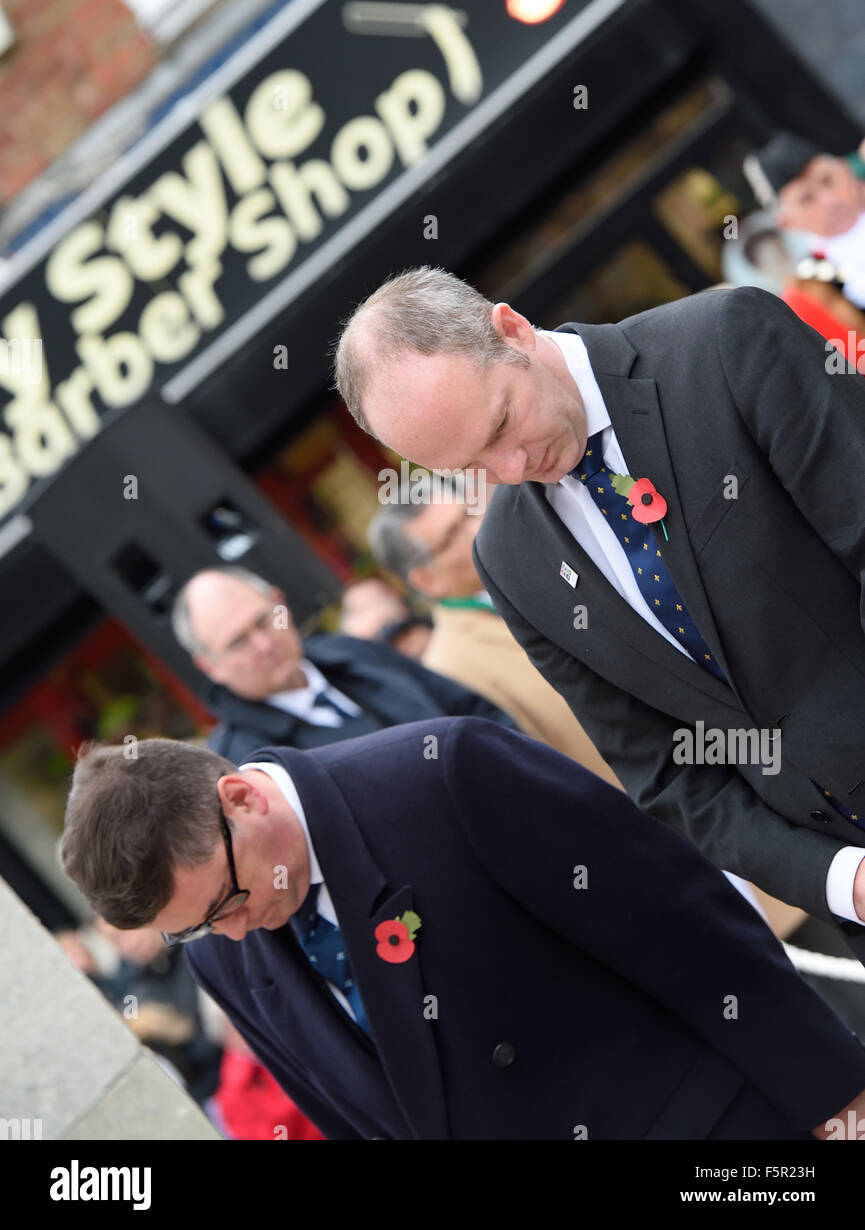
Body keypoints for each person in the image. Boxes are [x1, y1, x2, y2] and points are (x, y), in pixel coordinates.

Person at [333, 266, 865, 967]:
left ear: (511, 328)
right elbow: (667, 777)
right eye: (472, 465)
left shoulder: (723, 341)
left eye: (501, 422)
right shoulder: (507, 558)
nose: (514, 466)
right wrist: (842, 882)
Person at [60, 718, 865, 1140]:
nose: (232, 933)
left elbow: (687, 929)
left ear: (241, 798)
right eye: (194, 932)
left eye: (226, 901)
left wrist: (836, 1099)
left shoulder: (442, 773)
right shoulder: (220, 956)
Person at [368, 484, 620, 785]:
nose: (477, 527)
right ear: (426, 580)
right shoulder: (449, 668)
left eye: (470, 513)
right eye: (453, 534)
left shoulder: (540, 562)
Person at [171, 565, 514, 763]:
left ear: (280, 603)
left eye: (262, 621)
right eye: (237, 642)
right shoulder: (244, 761)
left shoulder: (351, 652)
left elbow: (473, 709)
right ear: (210, 666)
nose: (263, 644)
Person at [744, 131, 865, 309]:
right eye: (806, 199)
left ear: (844, 169)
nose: (829, 200)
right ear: (787, 222)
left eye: (828, 180)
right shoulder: (816, 284)